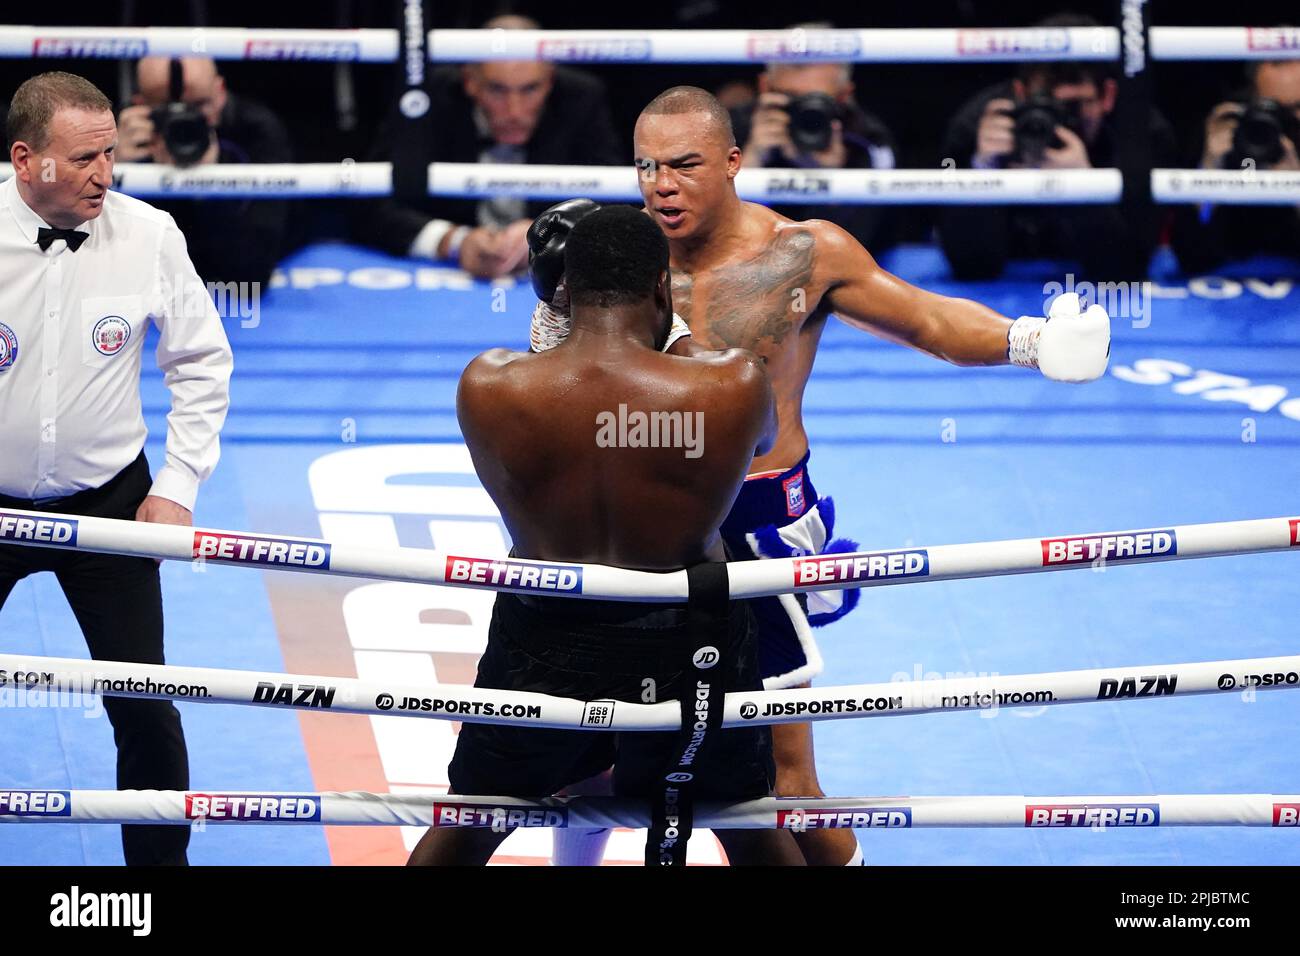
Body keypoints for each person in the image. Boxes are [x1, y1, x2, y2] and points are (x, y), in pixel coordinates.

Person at [530, 86, 1110, 866]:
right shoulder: (618, 256)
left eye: (684, 166)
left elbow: (928, 320)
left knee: (782, 776)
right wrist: (552, 325)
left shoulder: (801, 254)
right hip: (640, 519)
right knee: (594, 753)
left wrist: (1032, 341)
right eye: (646, 167)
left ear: (734, 162)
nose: (660, 185)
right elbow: (564, 389)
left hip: (756, 518)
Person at [408, 205, 802, 866]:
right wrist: (675, 342)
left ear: (562, 291)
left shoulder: (488, 385)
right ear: (660, 288)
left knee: (473, 819)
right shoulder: (730, 386)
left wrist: (556, 341)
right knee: (745, 822)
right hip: (689, 639)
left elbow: (568, 415)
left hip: (544, 635)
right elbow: (763, 442)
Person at [0, 72, 233, 865]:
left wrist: (177, 486)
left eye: (111, 153)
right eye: (86, 158)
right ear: (27, 160)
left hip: (108, 503)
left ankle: (162, 879)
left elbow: (202, 362)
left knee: (145, 705)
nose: (107, 173)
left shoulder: (148, 233)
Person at [349, 14, 623, 279]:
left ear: (550, 80)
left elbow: (618, 198)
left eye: (529, 89)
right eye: (497, 90)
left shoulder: (581, 98)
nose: (514, 111)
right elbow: (368, 201)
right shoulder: (429, 97)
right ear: (470, 81)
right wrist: (451, 241)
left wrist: (554, 230)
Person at [937, 13, 1177, 280]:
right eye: (1046, 105)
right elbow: (969, 267)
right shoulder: (977, 126)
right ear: (1020, 93)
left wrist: (1084, 188)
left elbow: (1126, 271)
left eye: (1074, 106)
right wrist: (984, 172)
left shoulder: (1140, 134)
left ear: (1107, 96)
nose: (1059, 119)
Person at [115, 56, 292, 286]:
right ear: (140, 105)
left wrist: (209, 185)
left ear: (220, 93)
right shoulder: (118, 135)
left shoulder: (255, 131)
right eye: (165, 109)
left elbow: (251, 278)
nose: (182, 119)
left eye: (198, 105)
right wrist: (112, 171)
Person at [731, 24, 899, 252]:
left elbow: (862, 252)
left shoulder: (869, 141)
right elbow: (711, 241)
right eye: (789, 97)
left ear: (844, 96)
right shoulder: (729, 129)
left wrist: (832, 184)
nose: (803, 112)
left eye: (816, 100)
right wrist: (749, 163)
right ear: (765, 87)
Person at [1170, 58, 1300, 274]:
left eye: (1297, 107)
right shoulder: (1230, 134)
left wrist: (1295, 190)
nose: (1285, 121)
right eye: (1273, 108)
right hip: (1226, 285)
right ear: (1253, 100)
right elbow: (1188, 256)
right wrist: (1210, 169)